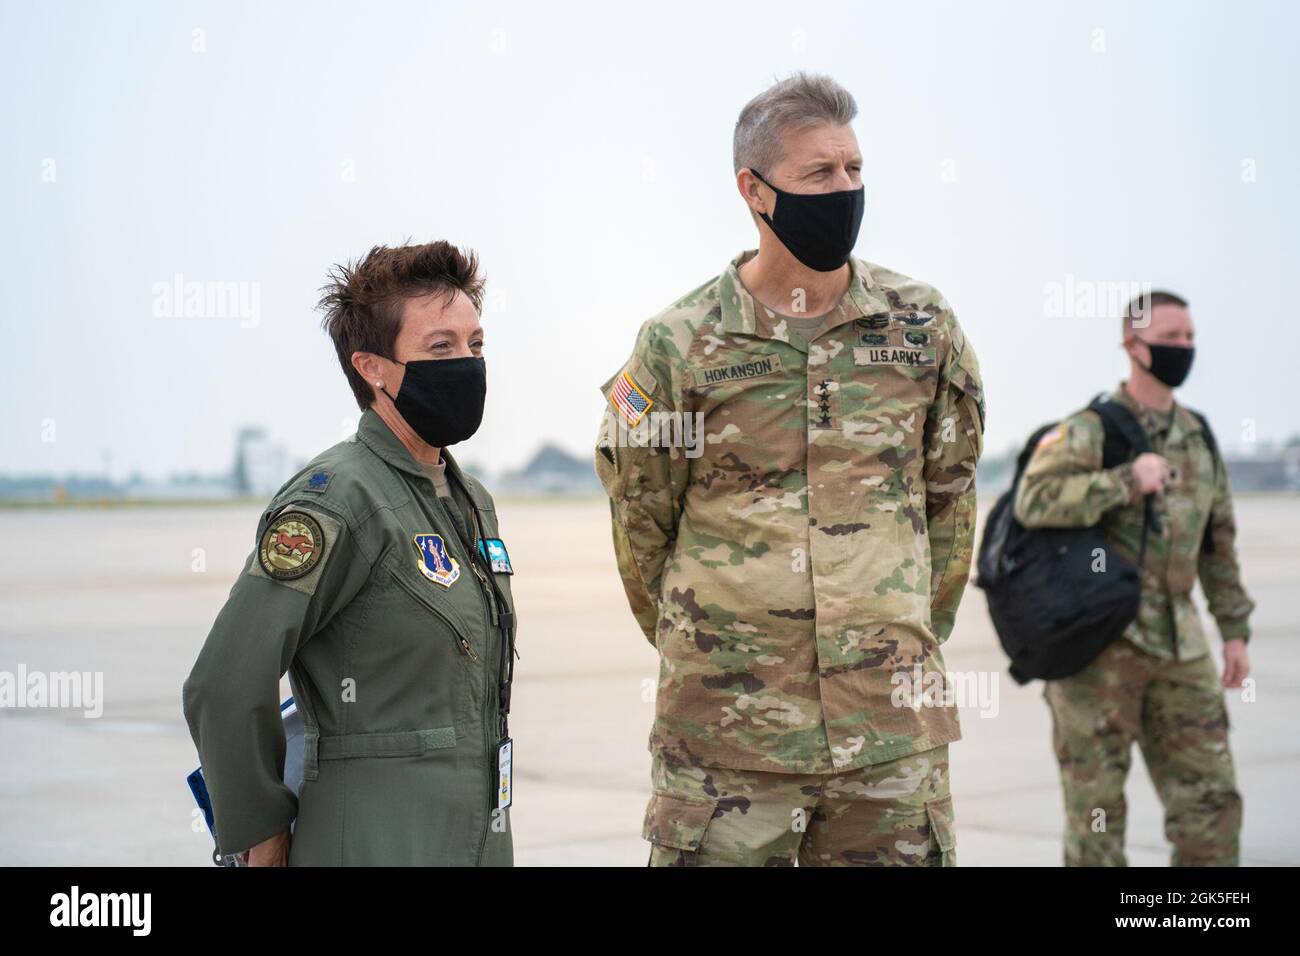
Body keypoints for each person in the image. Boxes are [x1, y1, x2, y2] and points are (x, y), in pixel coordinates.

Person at [594, 73, 985, 866]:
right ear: (755, 190)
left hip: (890, 738)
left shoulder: (922, 326)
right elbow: (641, 523)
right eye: (818, 174)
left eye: (854, 170)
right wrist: (715, 646)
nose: (844, 189)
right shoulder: (678, 343)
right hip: (729, 742)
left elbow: (950, 503)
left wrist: (894, 635)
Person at [183, 240, 518, 866]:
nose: (468, 364)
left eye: (475, 344)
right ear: (372, 367)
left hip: (474, 841)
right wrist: (262, 839)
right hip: (372, 842)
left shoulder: (469, 500)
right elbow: (224, 683)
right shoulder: (338, 499)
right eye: (440, 347)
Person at [1015, 289, 1252, 866]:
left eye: (1190, 338)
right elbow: (1034, 500)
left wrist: (1234, 629)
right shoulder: (1092, 429)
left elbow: (1217, 543)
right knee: (1097, 817)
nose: (1184, 348)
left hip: (1181, 647)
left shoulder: (1200, 436)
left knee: (1211, 806)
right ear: (1133, 345)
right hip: (1099, 651)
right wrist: (1125, 481)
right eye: (1171, 339)